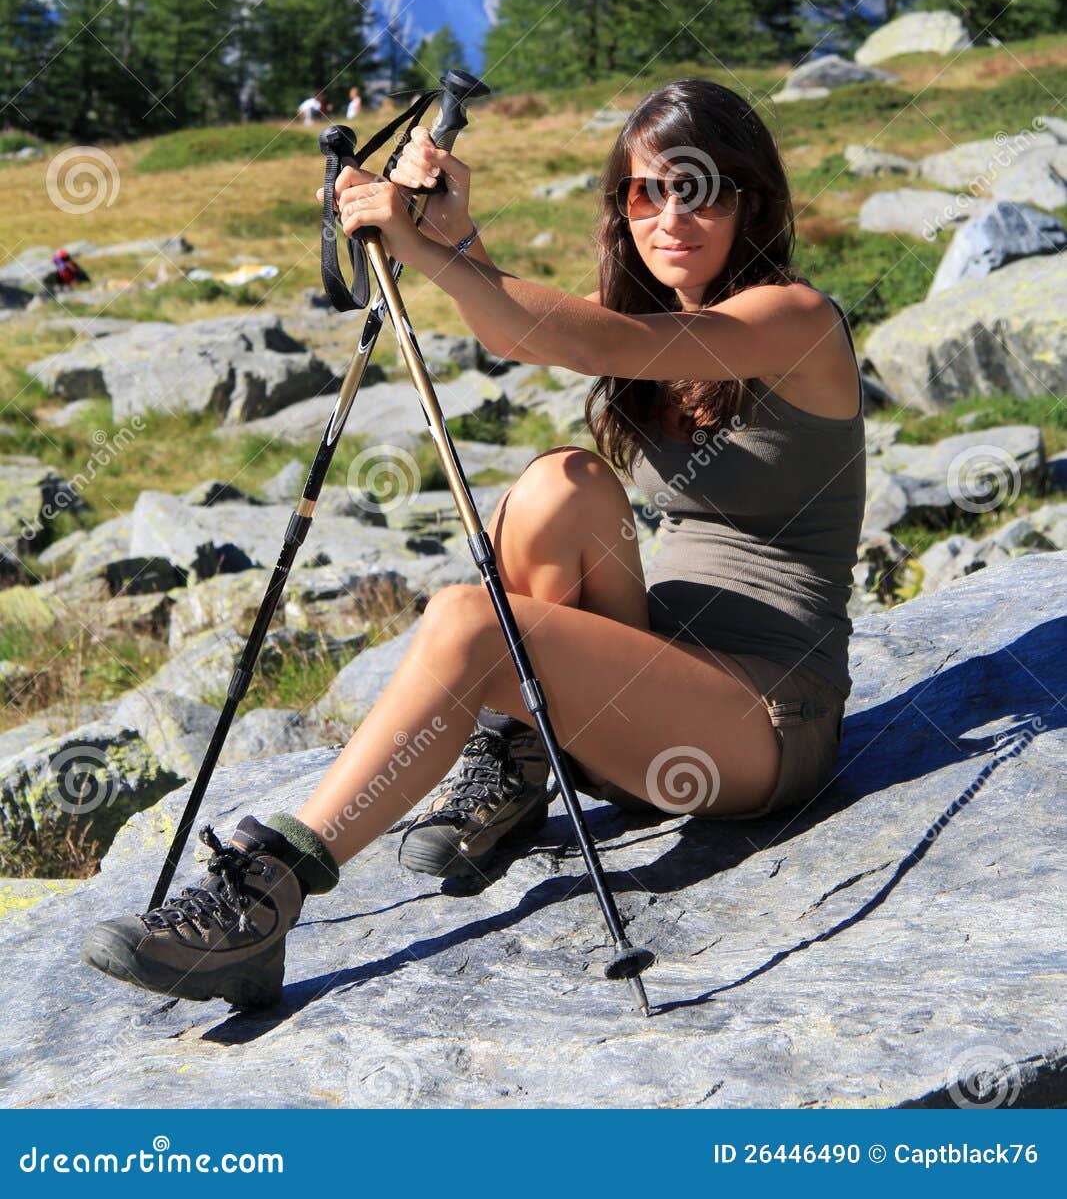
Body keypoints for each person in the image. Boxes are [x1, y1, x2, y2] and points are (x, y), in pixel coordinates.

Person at [81, 79, 865, 1009]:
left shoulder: (795, 320)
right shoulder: (657, 321)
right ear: (620, 206)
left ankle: (268, 890)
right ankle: (523, 757)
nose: (670, 216)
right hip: (649, 676)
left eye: (702, 191)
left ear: (752, 202)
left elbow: (584, 341)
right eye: (645, 191)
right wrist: (455, 237)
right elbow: (523, 326)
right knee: (556, 484)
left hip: (762, 719)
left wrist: (422, 247)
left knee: (469, 620)